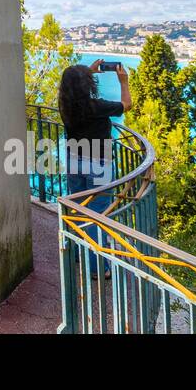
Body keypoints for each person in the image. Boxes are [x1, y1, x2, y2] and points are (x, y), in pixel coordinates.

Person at [58, 60, 133, 274]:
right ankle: (97, 268)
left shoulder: (65, 105)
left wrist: (85, 73)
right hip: (99, 165)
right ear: (87, 85)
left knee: (79, 210)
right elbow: (126, 105)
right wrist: (124, 82)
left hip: (74, 162)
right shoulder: (97, 107)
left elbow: (73, 87)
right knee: (97, 215)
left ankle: (75, 253)